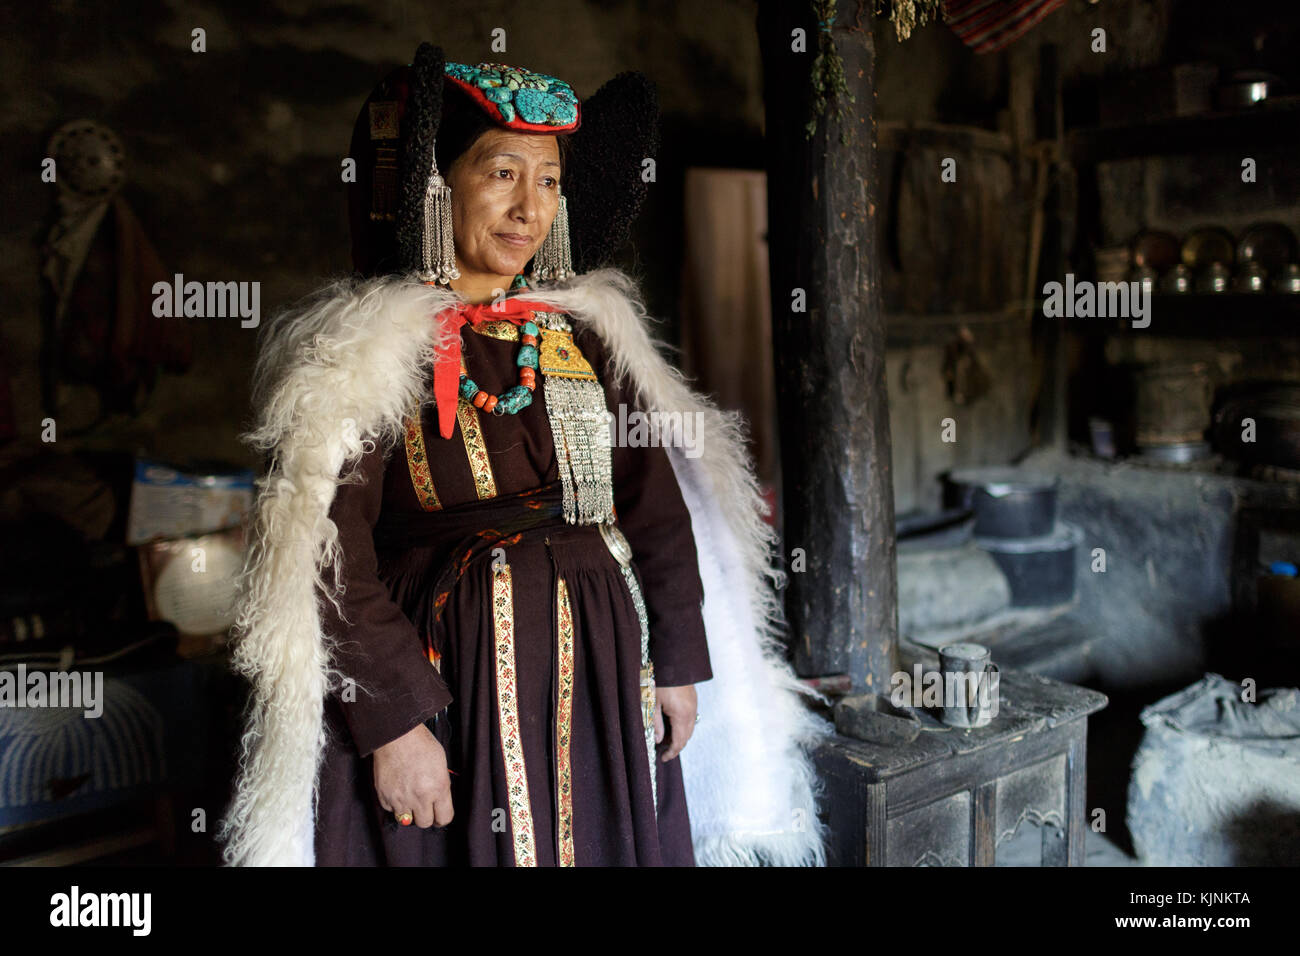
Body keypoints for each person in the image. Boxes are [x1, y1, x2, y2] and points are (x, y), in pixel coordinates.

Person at [218, 43, 827, 867]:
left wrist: (677, 662)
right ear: (442, 186)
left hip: (605, 672)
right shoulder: (364, 355)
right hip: (451, 685)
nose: (527, 208)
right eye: (501, 173)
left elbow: (655, 509)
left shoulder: (584, 338)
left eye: (546, 181)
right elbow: (326, 554)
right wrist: (394, 721)